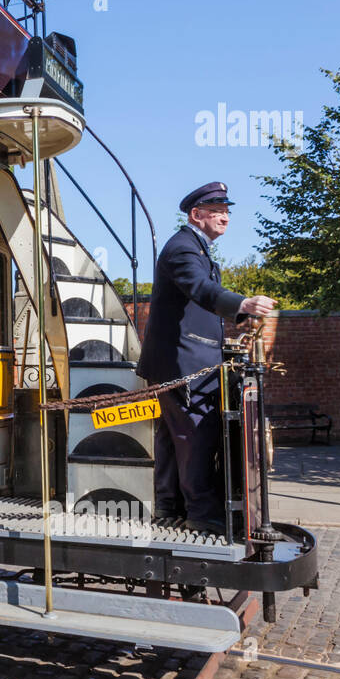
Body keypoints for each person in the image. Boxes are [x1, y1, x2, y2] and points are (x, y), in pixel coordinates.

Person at [136, 182, 277, 535]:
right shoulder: (184, 249)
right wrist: (242, 304)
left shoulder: (196, 249)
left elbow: (200, 300)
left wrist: (237, 321)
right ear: (196, 215)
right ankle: (201, 515)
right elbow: (200, 289)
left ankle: (169, 507)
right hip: (183, 365)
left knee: (172, 438)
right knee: (194, 435)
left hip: (184, 363)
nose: (225, 217)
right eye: (217, 211)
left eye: (228, 211)